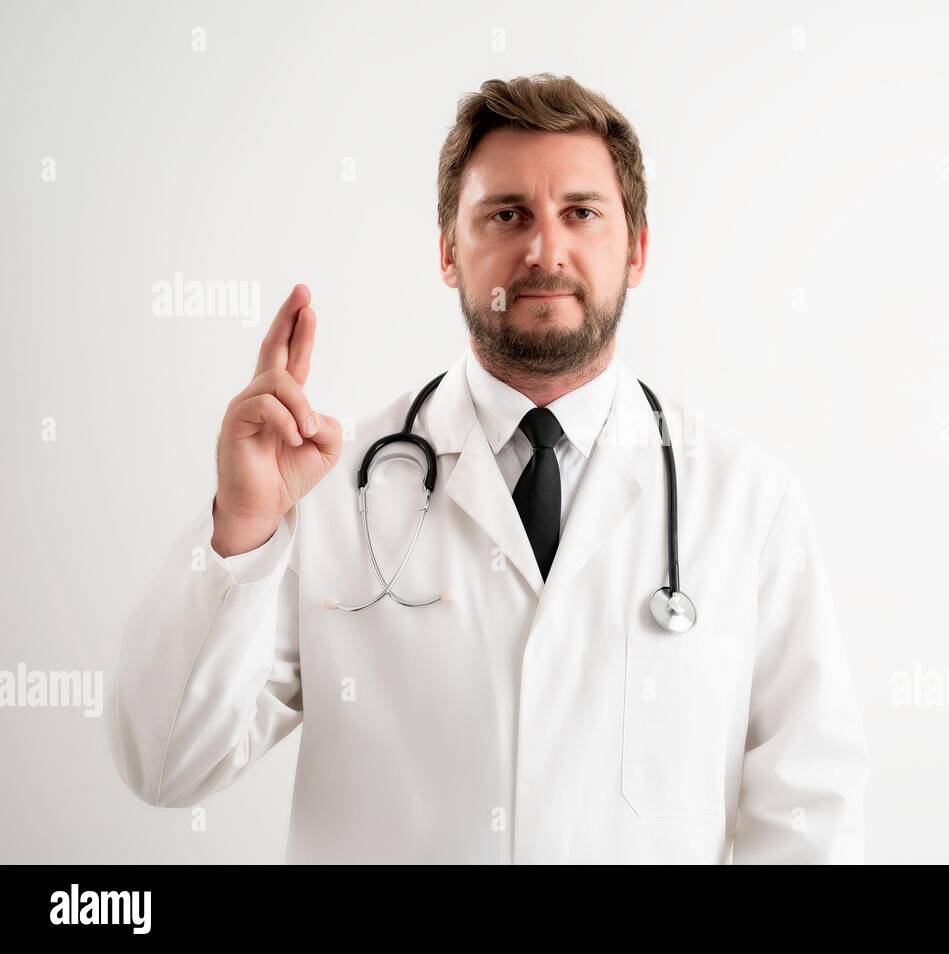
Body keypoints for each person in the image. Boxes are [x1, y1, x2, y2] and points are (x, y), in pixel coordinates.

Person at [107, 73, 869, 864]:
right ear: (446, 252)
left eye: (581, 212)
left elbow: (810, 809)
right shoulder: (331, 489)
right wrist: (242, 527)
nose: (545, 250)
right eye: (506, 215)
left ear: (637, 250)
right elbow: (166, 766)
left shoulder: (747, 502)